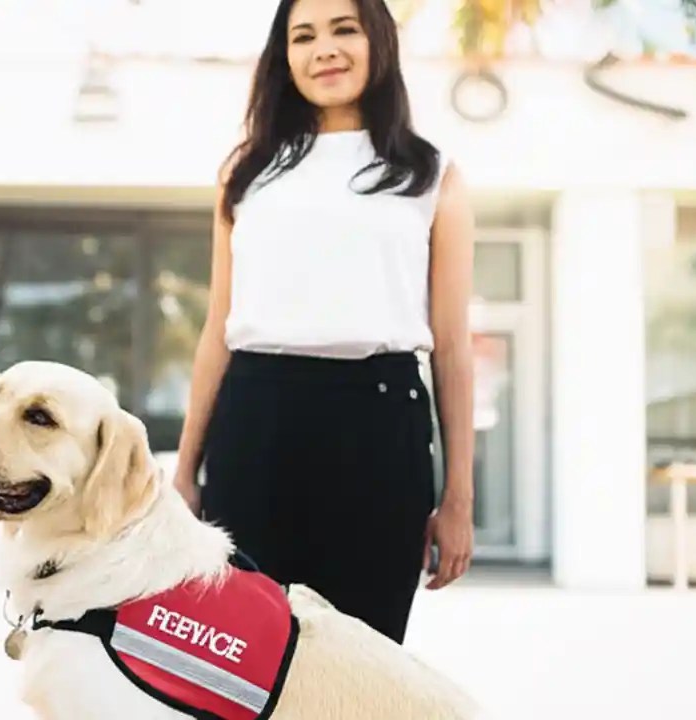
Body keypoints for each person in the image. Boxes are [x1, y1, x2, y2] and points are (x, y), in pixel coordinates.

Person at [171, 0, 476, 645]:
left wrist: (458, 499)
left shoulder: (430, 175)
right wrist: (185, 472)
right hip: (256, 423)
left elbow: (452, 348)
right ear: (284, 57)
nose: (325, 50)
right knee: (246, 654)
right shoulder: (246, 173)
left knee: (363, 656)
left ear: (378, 43)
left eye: (344, 30)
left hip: (379, 427)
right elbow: (218, 329)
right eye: (303, 36)